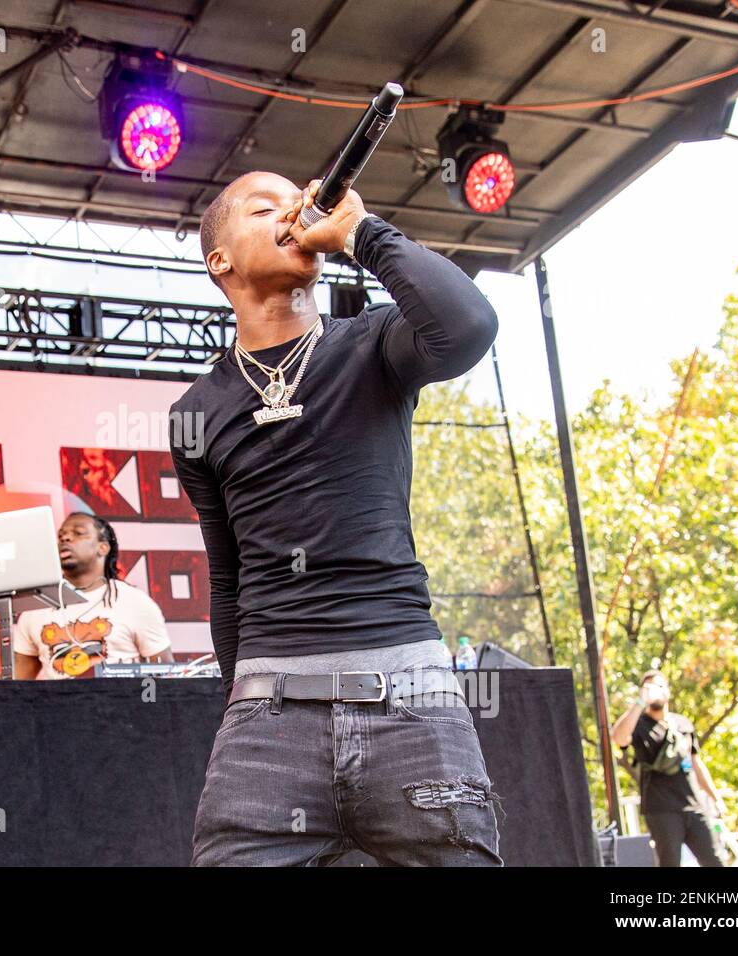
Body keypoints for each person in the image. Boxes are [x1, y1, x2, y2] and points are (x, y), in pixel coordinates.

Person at [169, 171, 502, 865]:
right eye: (267, 208)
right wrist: (240, 705)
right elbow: (226, 575)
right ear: (219, 261)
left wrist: (360, 232)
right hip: (268, 714)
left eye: (298, 203)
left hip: (410, 698)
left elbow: (469, 326)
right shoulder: (195, 414)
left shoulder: (374, 343)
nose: (293, 213)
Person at [12, 512, 173, 679]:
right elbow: (16, 686)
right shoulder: (37, 606)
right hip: (56, 705)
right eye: (61, 536)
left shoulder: (135, 603)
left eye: (79, 533)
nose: (65, 538)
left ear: (103, 547)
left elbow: (165, 677)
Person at [610, 670, 726, 867]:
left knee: (714, 860)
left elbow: (696, 764)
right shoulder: (638, 724)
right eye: (649, 687)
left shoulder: (682, 723)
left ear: (668, 691)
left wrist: (715, 798)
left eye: (659, 686)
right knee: (670, 862)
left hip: (694, 805)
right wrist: (640, 702)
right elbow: (618, 738)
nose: (655, 691)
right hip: (661, 809)